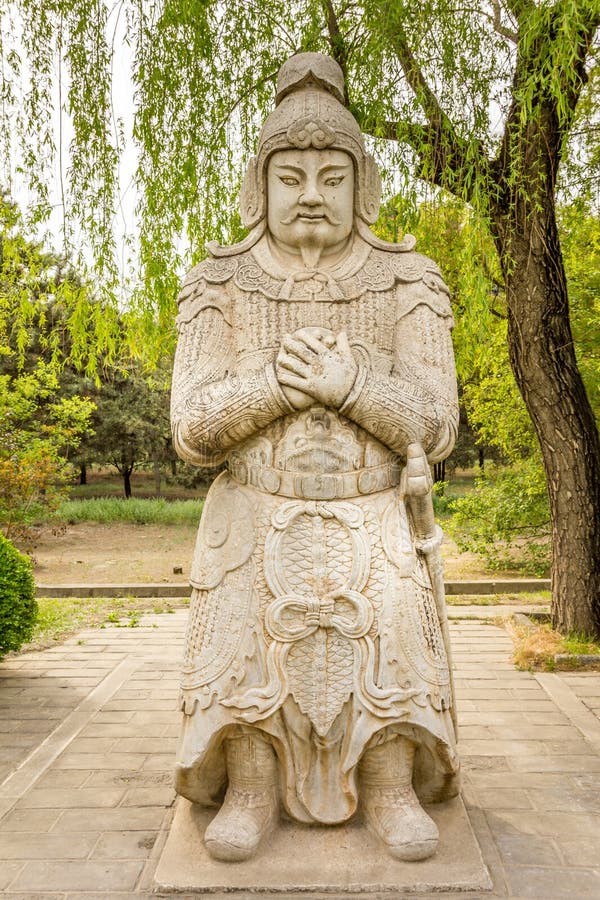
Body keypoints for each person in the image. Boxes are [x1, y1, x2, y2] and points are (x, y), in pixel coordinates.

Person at [170, 52, 459, 864]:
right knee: (251, 649)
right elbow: (191, 428)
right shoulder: (219, 284)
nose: (309, 194)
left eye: (332, 176)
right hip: (257, 507)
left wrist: (352, 380)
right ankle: (253, 790)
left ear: (361, 186)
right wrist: (276, 385)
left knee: (388, 635)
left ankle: (390, 786)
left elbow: (437, 424)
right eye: (290, 174)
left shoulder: (408, 280)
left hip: (374, 509)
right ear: (257, 186)